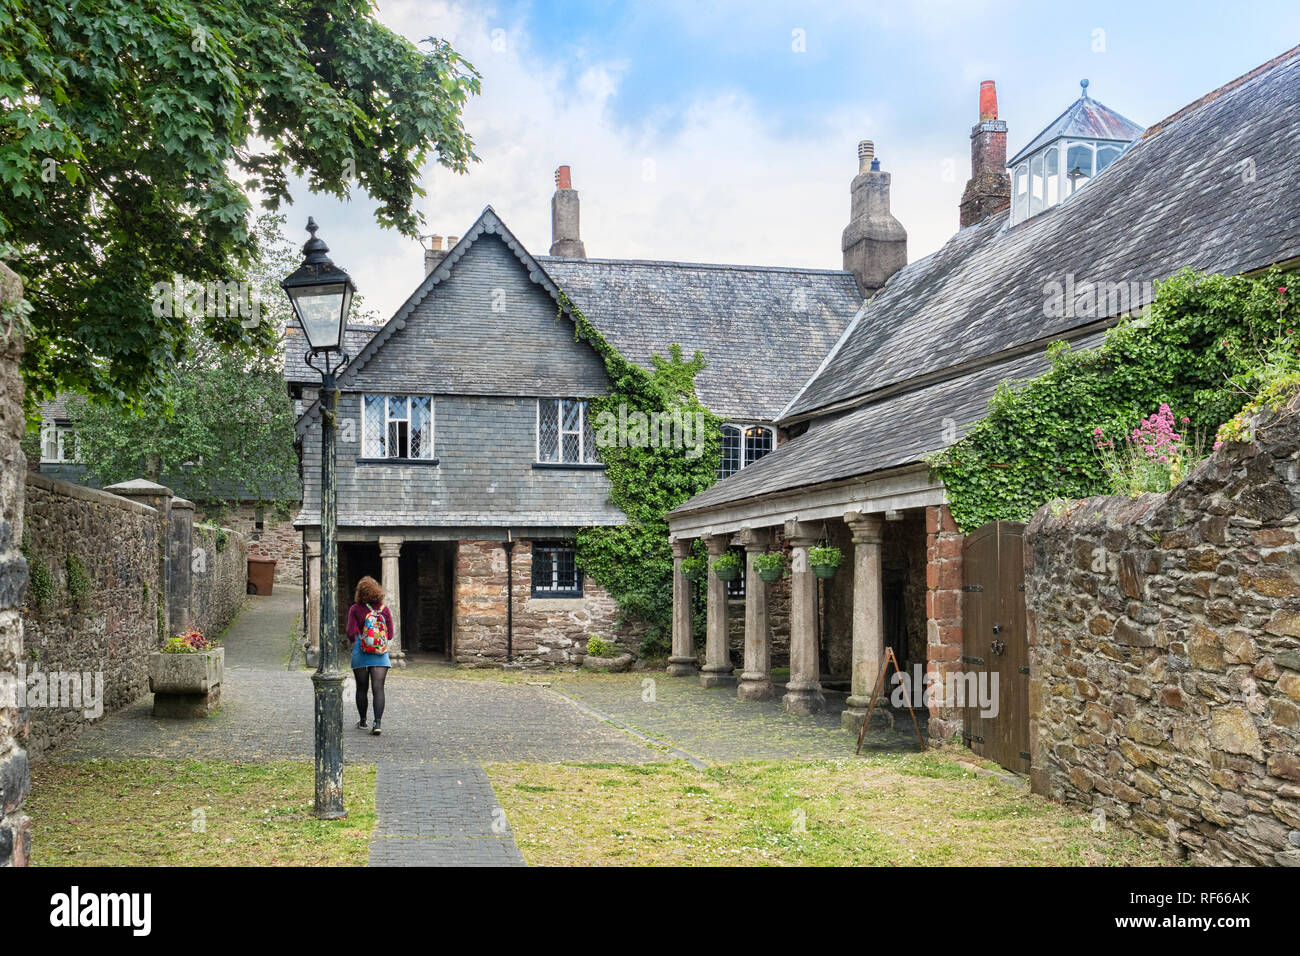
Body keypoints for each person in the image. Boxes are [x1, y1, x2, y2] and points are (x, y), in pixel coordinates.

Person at [346, 575, 394, 736]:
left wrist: (358, 639)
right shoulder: (384, 609)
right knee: (378, 688)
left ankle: (363, 720)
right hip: (380, 653)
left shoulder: (355, 609)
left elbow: (350, 632)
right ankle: (378, 723)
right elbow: (391, 635)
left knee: (361, 688)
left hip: (361, 651)